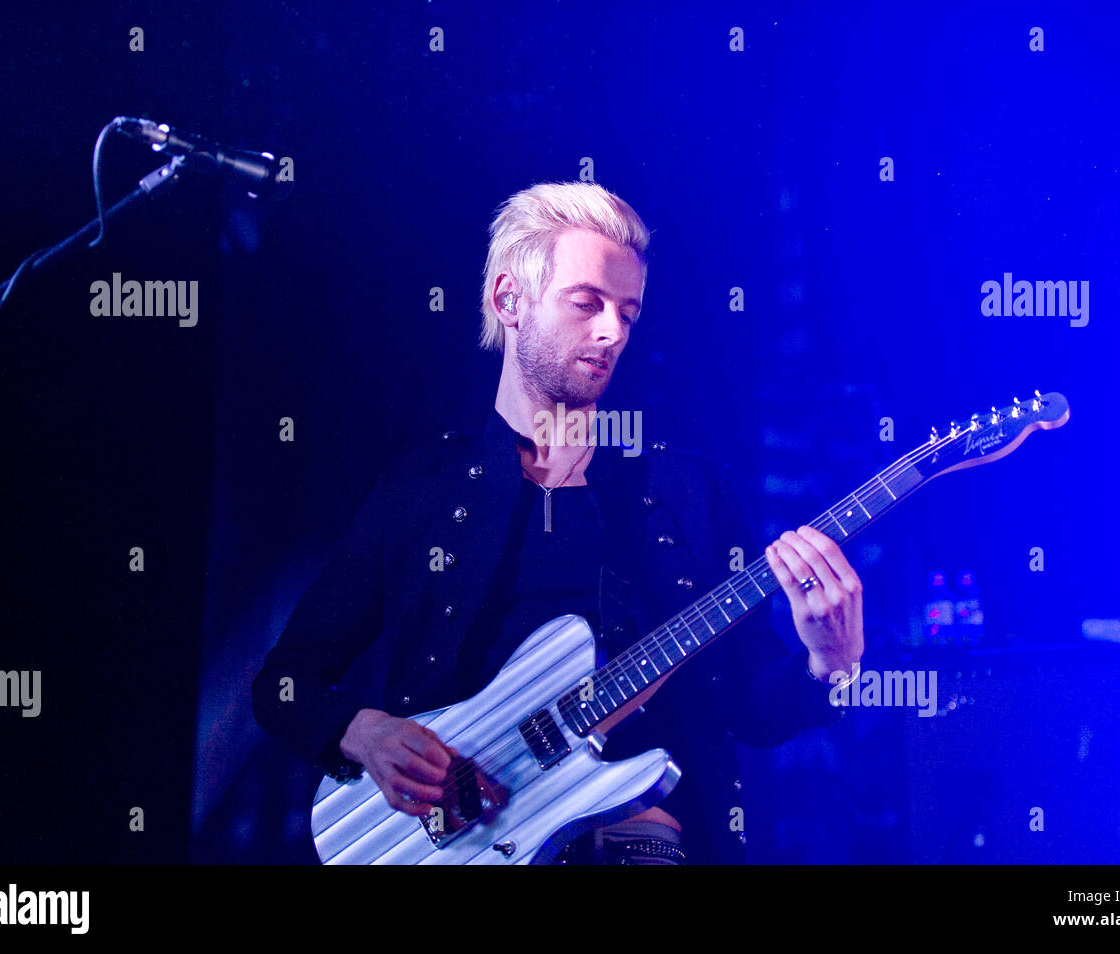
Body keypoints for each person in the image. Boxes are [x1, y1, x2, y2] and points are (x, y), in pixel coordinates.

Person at [252, 181, 865, 864]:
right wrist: (362, 731)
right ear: (509, 300)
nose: (612, 332)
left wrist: (827, 665)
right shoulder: (420, 491)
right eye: (588, 303)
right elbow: (284, 685)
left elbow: (752, 709)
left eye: (628, 314)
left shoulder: (688, 491)